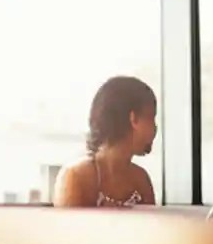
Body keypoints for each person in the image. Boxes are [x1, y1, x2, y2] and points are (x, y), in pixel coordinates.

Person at [53, 76, 157, 208]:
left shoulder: (141, 179)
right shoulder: (76, 176)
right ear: (133, 119)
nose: (155, 128)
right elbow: (67, 228)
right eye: (151, 118)